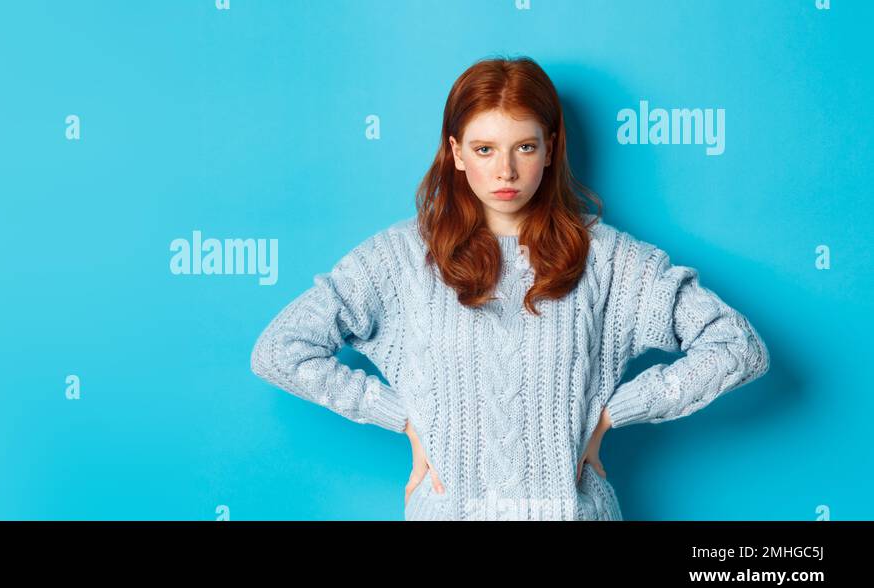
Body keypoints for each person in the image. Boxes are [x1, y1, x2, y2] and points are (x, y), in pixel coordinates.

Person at [248, 55, 771, 520]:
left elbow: (737, 348)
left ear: (550, 149)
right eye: (483, 148)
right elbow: (281, 350)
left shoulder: (608, 259)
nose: (505, 170)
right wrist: (404, 418)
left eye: (524, 146)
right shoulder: (401, 259)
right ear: (455, 152)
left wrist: (614, 412)